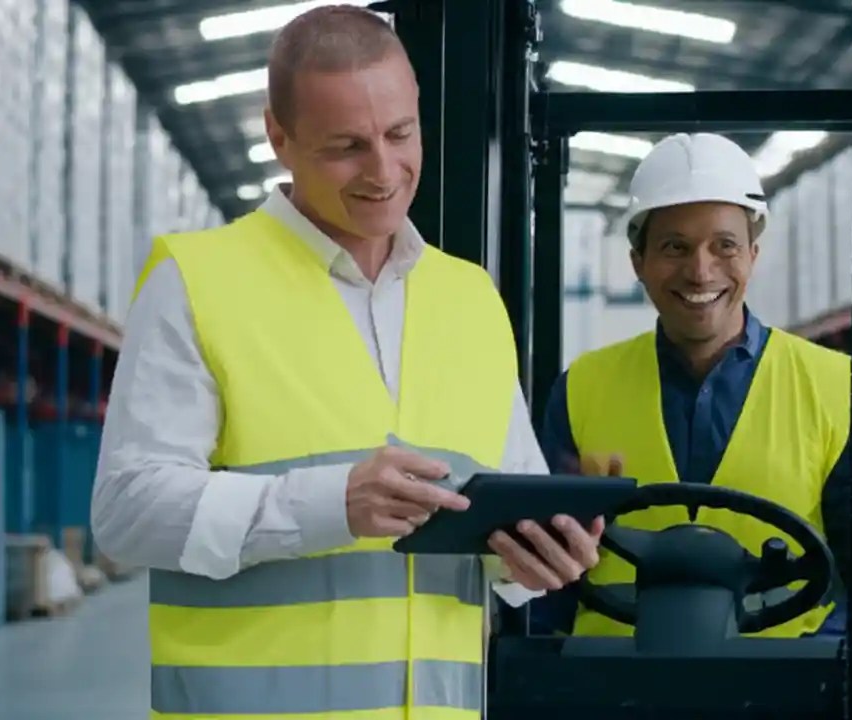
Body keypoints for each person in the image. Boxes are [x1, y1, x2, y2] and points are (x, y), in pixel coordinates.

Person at [90, 6, 603, 719]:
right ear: (279, 137)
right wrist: (329, 505)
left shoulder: (470, 299)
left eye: (400, 134)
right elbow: (126, 511)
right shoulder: (199, 280)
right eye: (347, 147)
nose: (385, 172)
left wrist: (536, 559)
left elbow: (503, 524)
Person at [531, 132, 852, 639]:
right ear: (638, 261)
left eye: (724, 246)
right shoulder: (582, 389)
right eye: (674, 247)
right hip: (610, 691)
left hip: (782, 691)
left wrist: (819, 672)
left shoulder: (838, 387)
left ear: (752, 253)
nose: (700, 270)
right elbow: (546, 579)